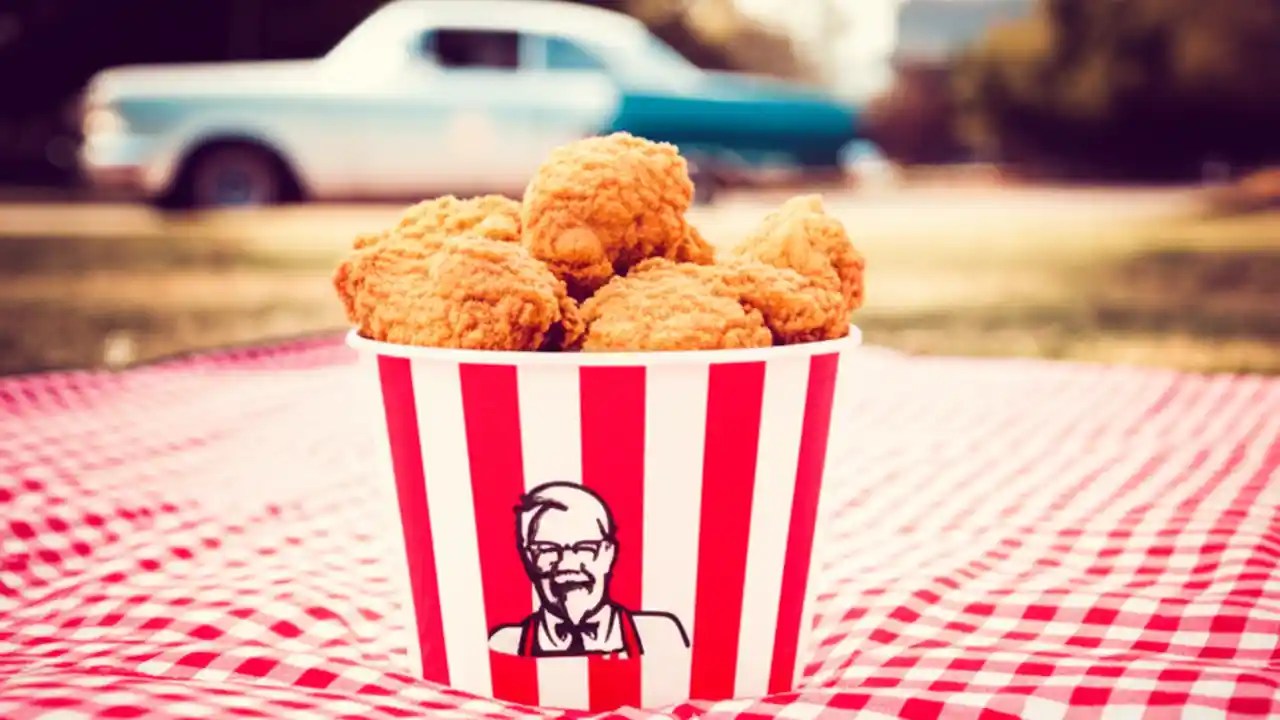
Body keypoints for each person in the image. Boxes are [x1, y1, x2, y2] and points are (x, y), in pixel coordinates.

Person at [488, 482, 689, 657]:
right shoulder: (507, 644)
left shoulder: (659, 636)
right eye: (548, 549)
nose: (567, 565)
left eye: (585, 548)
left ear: (609, 553)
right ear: (527, 558)